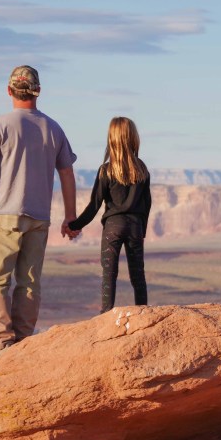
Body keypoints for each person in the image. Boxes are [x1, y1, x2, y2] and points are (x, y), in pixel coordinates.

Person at [0, 65, 77, 363]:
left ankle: (1, 347)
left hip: (4, 215)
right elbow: (67, 174)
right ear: (38, 91)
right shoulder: (53, 128)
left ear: (9, 91)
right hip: (39, 217)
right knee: (29, 283)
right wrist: (70, 216)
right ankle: (21, 344)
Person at [68, 117, 152, 314]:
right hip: (135, 226)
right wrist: (142, 231)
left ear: (111, 139)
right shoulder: (142, 168)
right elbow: (147, 204)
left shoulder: (106, 170)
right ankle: (143, 313)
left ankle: (105, 314)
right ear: (133, 137)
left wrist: (74, 226)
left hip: (113, 227)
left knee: (109, 275)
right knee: (138, 275)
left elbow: (94, 205)